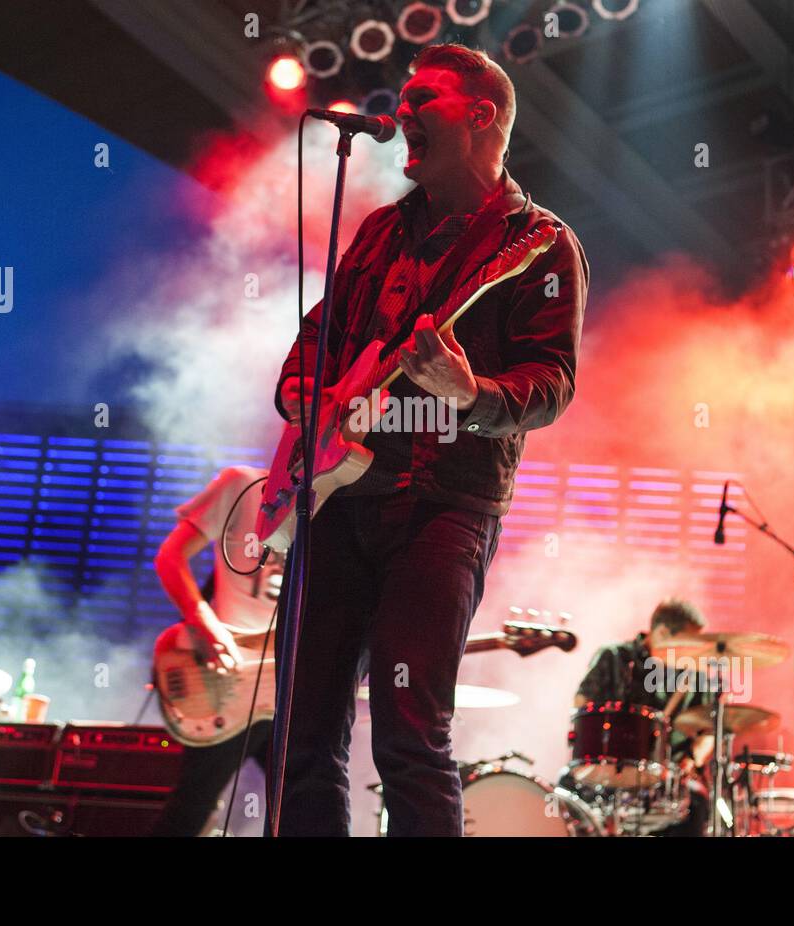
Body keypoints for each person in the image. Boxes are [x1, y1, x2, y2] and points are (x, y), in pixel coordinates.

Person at [270, 44, 588, 836]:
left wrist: (470, 391)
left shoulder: (539, 244)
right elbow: (321, 335)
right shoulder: (381, 231)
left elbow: (550, 384)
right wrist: (302, 393)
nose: (401, 112)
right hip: (339, 502)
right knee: (301, 735)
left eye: (423, 99)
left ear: (481, 116)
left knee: (410, 737)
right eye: (403, 100)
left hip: (444, 504)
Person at [151, 464, 283, 836]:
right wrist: (204, 623)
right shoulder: (242, 483)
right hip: (224, 674)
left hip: (288, 689)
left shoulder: (339, 496)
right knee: (192, 807)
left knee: (305, 801)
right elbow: (169, 557)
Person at [571, 598, 715, 836]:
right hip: (606, 770)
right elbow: (582, 705)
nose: (695, 649)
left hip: (670, 779)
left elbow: (709, 731)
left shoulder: (696, 674)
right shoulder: (614, 657)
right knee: (563, 795)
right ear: (661, 633)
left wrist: (690, 760)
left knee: (697, 801)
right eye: (689, 642)